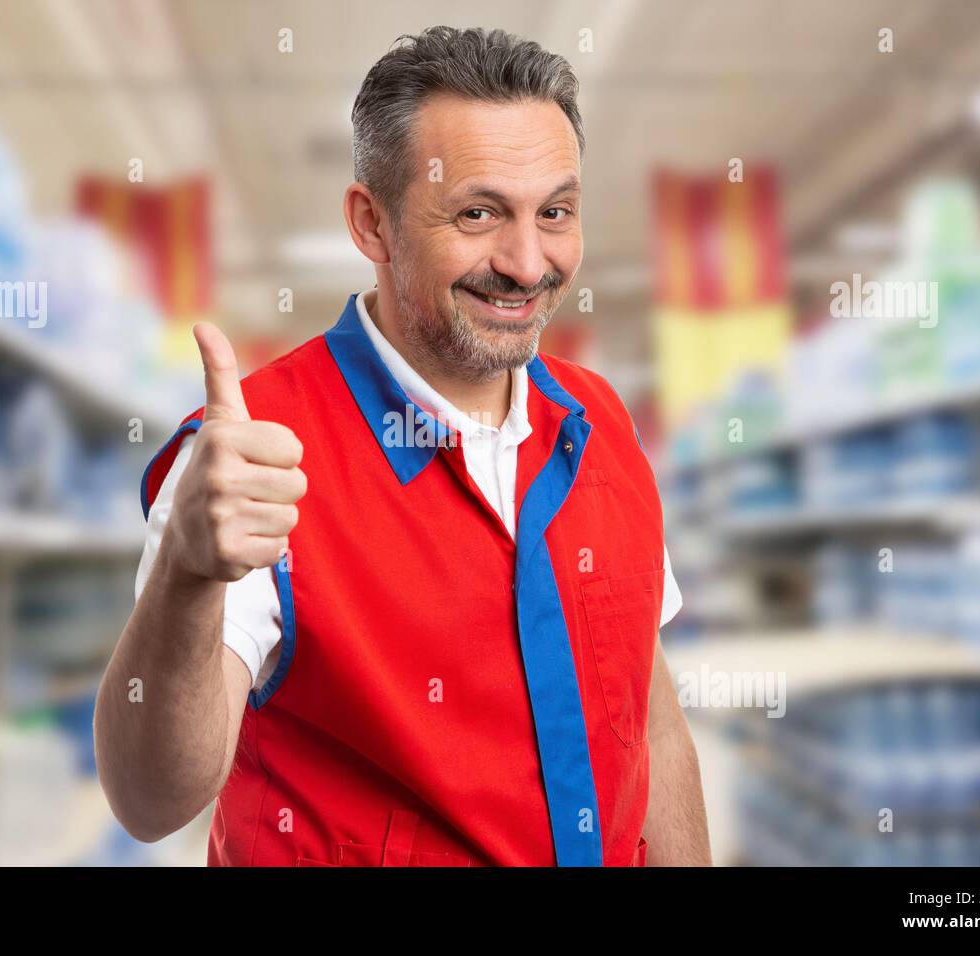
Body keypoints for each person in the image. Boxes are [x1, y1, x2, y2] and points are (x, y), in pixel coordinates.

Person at [95, 25, 711, 867]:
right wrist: (187, 577)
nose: (528, 263)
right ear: (371, 223)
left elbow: (653, 728)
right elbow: (148, 799)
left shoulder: (599, 422)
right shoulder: (252, 459)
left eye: (555, 213)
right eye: (479, 213)